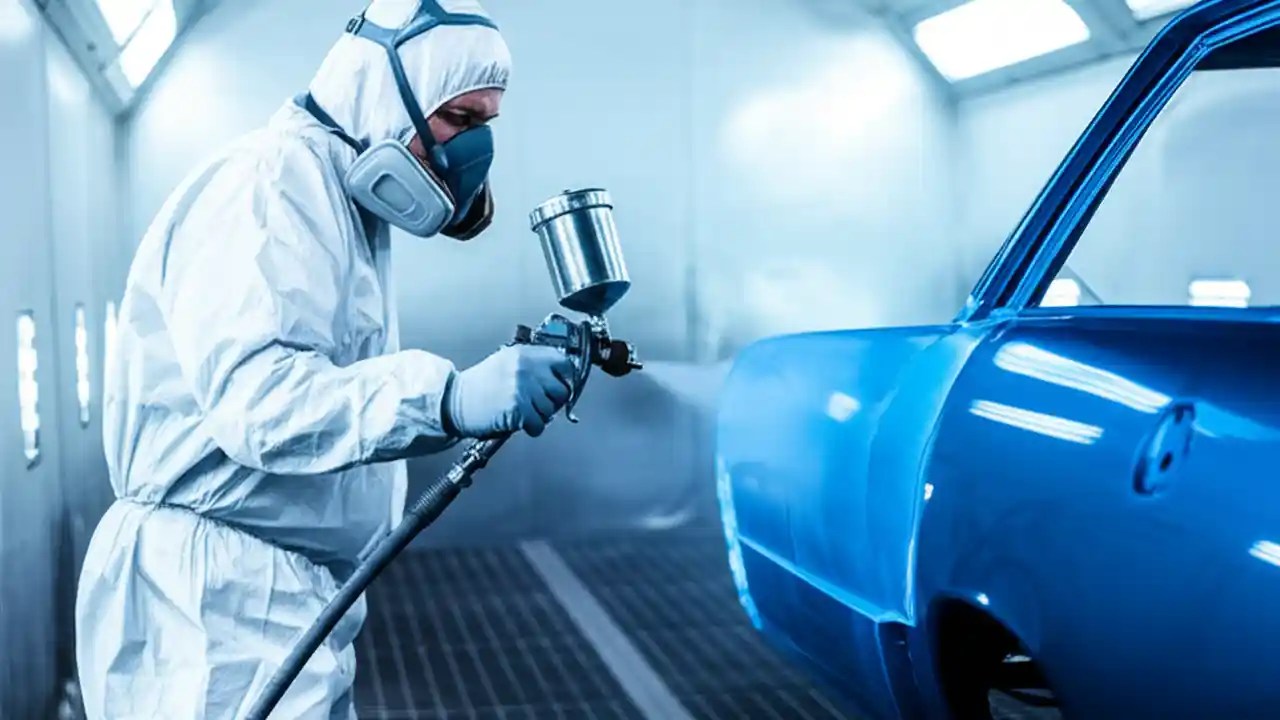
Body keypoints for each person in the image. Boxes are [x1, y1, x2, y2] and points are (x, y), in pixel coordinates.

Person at [74, 1, 573, 717]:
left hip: (275, 594)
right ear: (383, 94)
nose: (473, 153)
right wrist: (446, 398)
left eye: (486, 126)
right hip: (212, 608)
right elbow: (261, 404)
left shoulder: (338, 205)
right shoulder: (269, 185)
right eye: (460, 121)